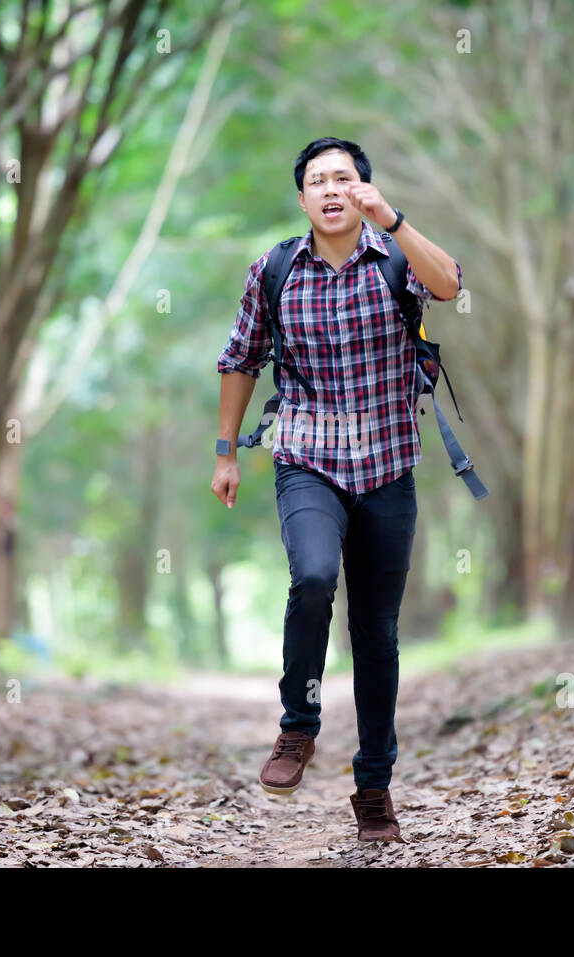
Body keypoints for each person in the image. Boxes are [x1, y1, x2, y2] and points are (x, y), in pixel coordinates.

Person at [211, 137, 462, 842]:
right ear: (301, 200)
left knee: (375, 633)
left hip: (387, 465)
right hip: (308, 458)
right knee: (314, 575)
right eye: (317, 180)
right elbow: (240, 359)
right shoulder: (276, 270)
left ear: (363, 191)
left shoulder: (396, 263)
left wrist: (396, 220)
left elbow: (448, 285)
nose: (330, 189)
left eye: (344, 179)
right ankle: (297, 728)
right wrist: (226, 453)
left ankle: (374, 784)